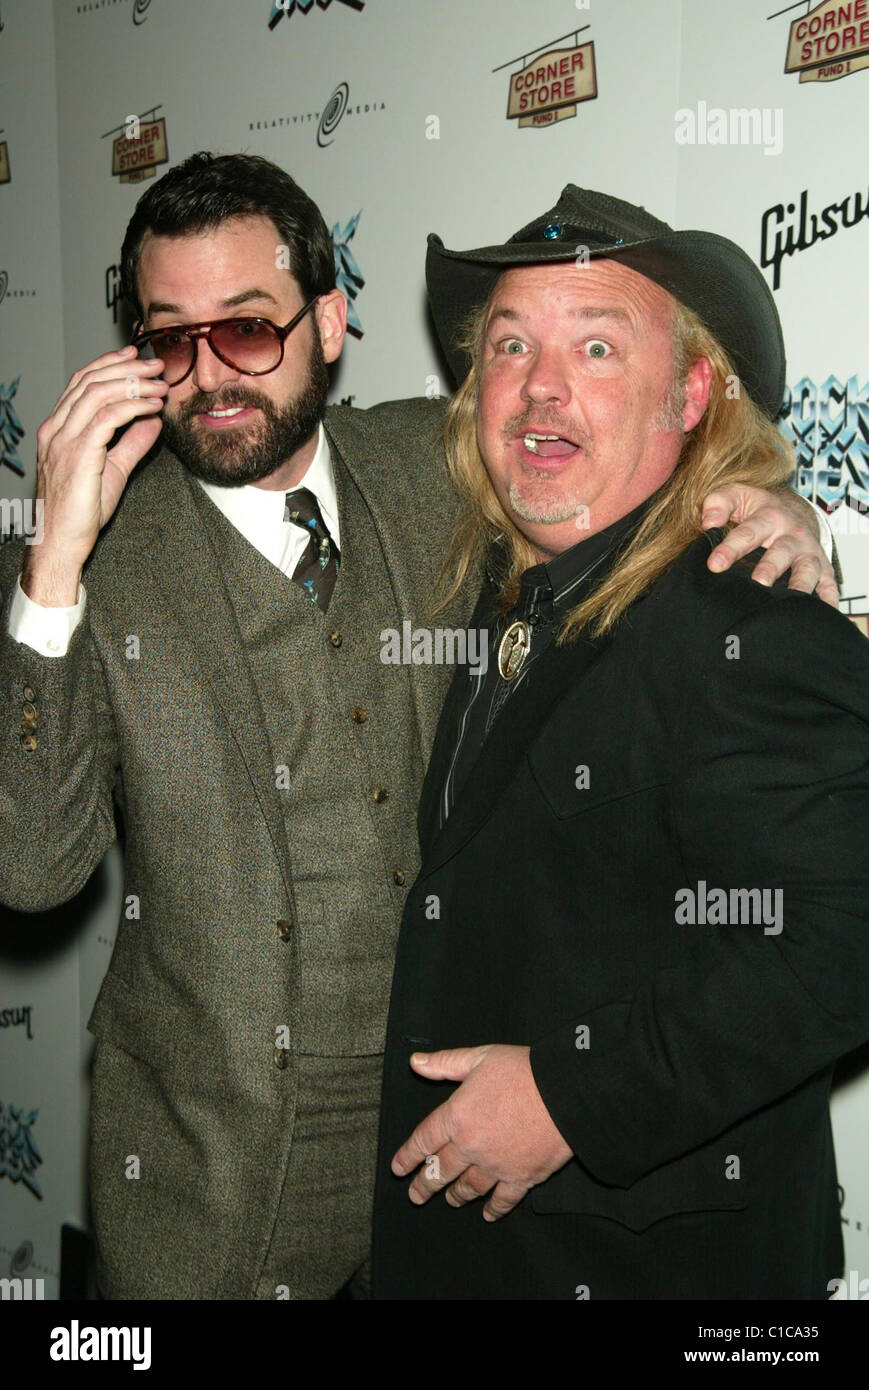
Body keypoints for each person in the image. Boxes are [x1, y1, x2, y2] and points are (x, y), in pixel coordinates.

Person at [0, 157, 836, 1301]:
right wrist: (51, 559)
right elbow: (30, 872)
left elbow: (607, 464)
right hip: (205, 1209)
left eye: (247, 329)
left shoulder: (426, 469)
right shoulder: (88, 563)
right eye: (169, 339)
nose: (209, 377)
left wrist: (767, 505)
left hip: (448, 1197)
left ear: (330, 321)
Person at [372, 185, 869, 1300]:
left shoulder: (748, 621)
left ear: (690, 392)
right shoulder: (508, 600)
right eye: (510, 345)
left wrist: (567, 1094)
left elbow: (842, 933)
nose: (539, 385)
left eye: (594, 346)